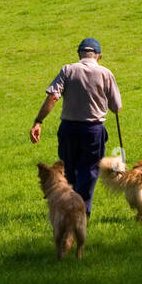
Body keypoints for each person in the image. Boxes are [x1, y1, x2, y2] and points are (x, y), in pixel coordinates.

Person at [30, 37, 121, 217]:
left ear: (79, 53)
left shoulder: (68, 70)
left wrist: (38, 121)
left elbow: (53, 97)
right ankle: (81, 212)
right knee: (89, 172)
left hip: (68, 129)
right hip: (93, 131)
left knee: (69, 170)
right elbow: (116, 107)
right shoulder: (105, 73)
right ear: (99, 56)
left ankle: (67, 207)